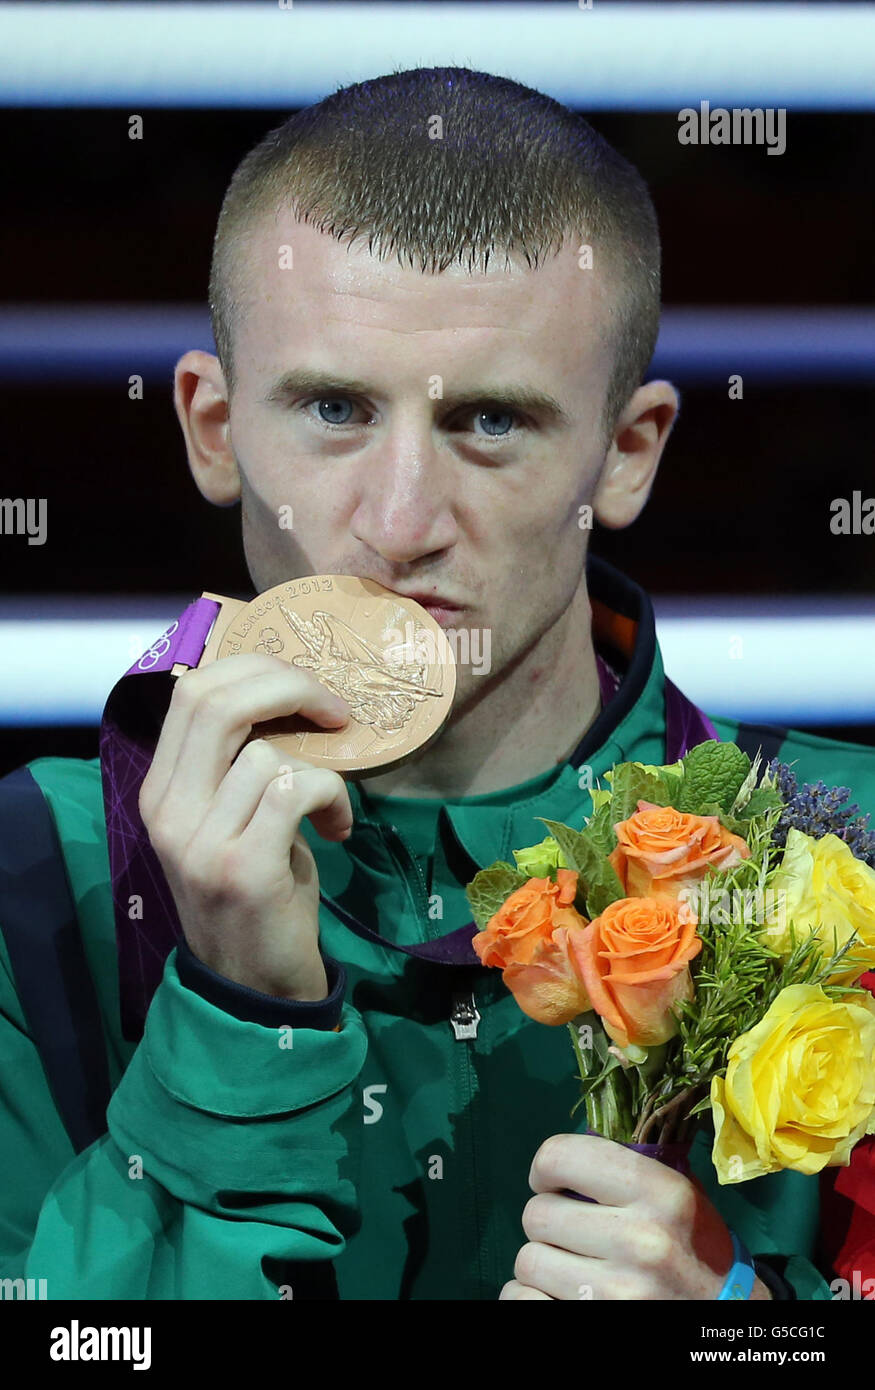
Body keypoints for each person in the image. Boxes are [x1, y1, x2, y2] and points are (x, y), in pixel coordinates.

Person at [1, 65, 873, 1302]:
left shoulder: (857, 845)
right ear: (210, 425)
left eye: (491, 423)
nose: (401, 521)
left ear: (625, 456)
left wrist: (742, 1329)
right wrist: (234, 1015)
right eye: (335, 408)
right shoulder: (32, 873)